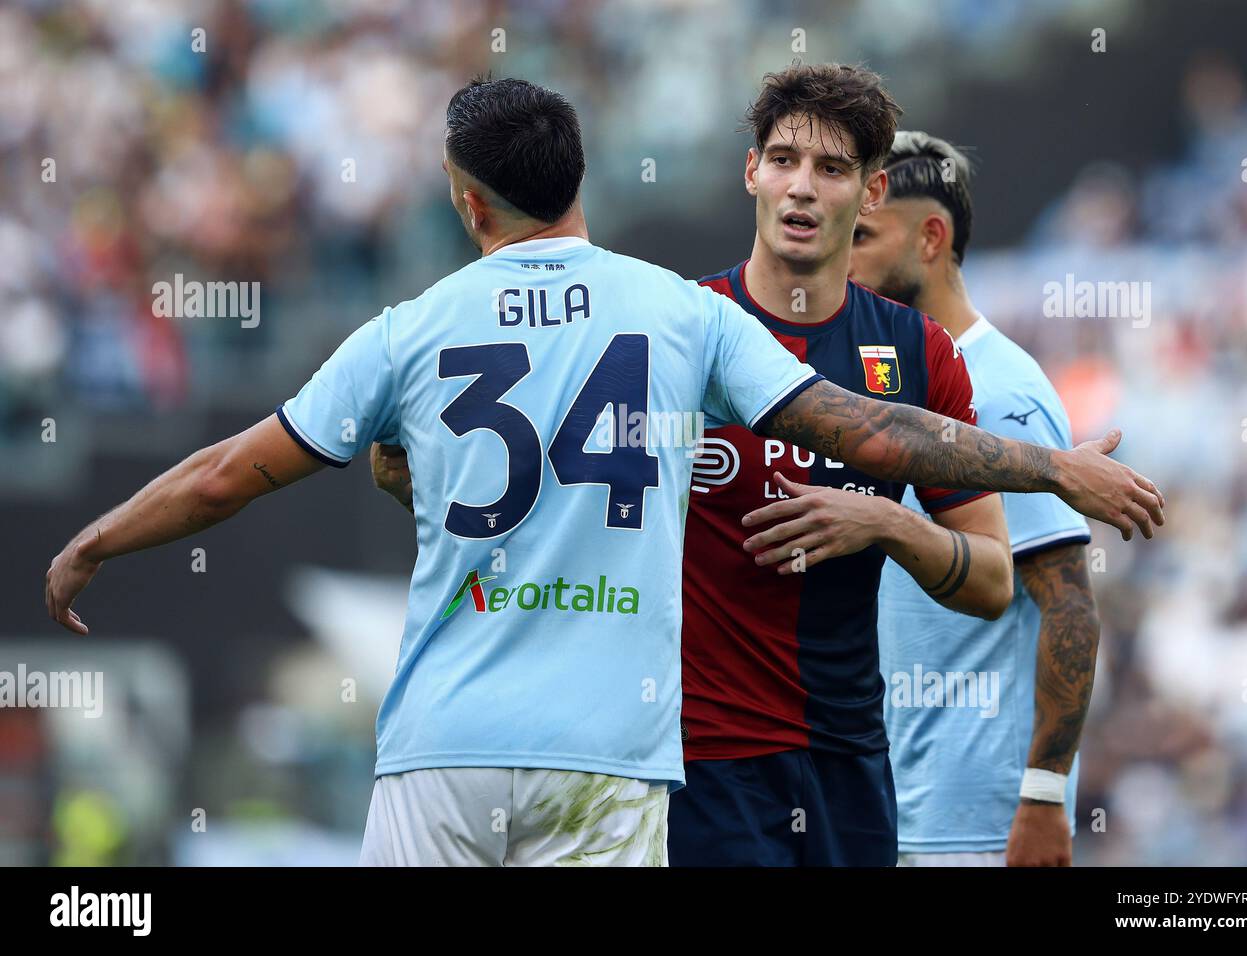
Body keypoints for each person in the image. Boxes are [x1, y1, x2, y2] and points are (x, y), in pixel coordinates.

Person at [47, 76, 1161, 869]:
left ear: (464, 198)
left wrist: (97, 538)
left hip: (460, 748)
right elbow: (874, 434)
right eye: (784, 159)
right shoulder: (679, 315)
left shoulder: (414, 326)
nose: (803, 189)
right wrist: (1054, 468)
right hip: (626, 762)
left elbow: (227, 474)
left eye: (831, 167)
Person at [856, 132, 1100, 867]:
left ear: (931, 237)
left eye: (862, 236)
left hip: (980, 828)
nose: (842, 257)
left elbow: (1070, 605)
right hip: (907, 808)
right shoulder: (891, 381)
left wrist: (1044, 796)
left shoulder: (998, 391)